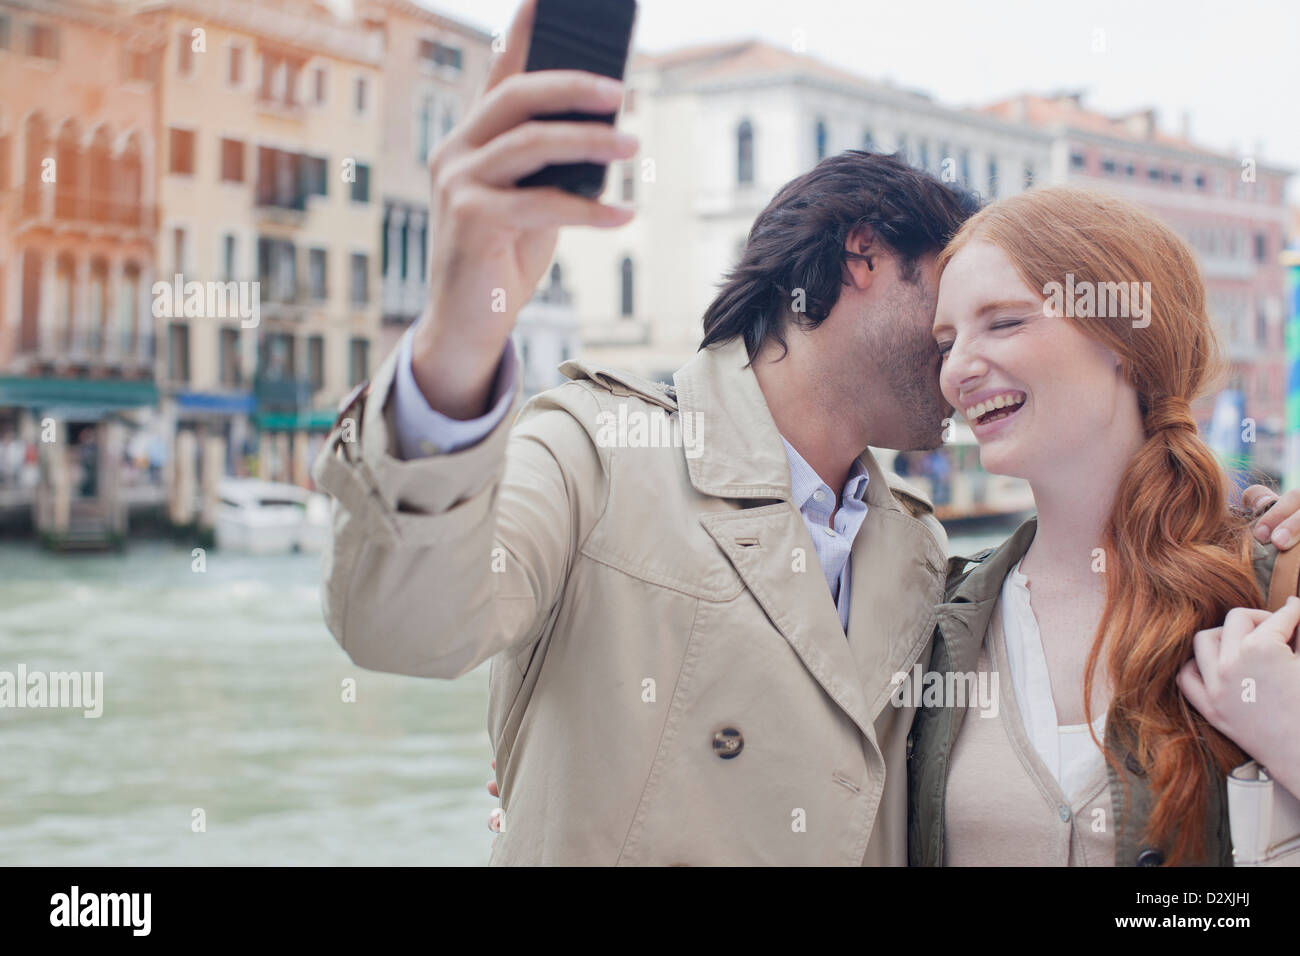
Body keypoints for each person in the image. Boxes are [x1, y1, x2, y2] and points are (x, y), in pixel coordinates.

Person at [910, 186, 1300, 866]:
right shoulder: (940, 622)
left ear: (1124, 339)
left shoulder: (1279, 589)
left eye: (1004, 323)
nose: (957, 372)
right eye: (946, 342)